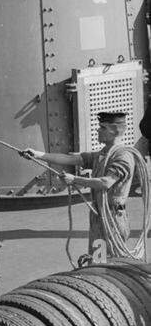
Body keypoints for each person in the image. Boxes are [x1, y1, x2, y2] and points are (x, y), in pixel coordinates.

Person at [23, 110, 138, 262]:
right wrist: (37, 154)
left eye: (102, 127)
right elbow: (71, 159)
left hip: (113, 218)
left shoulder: (123, 156)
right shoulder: (102, 154)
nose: (98, 130)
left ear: (114, 131)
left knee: (111, 261)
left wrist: (74, 179)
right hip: (99, 215)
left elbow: (106, 182)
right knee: (98, 259)